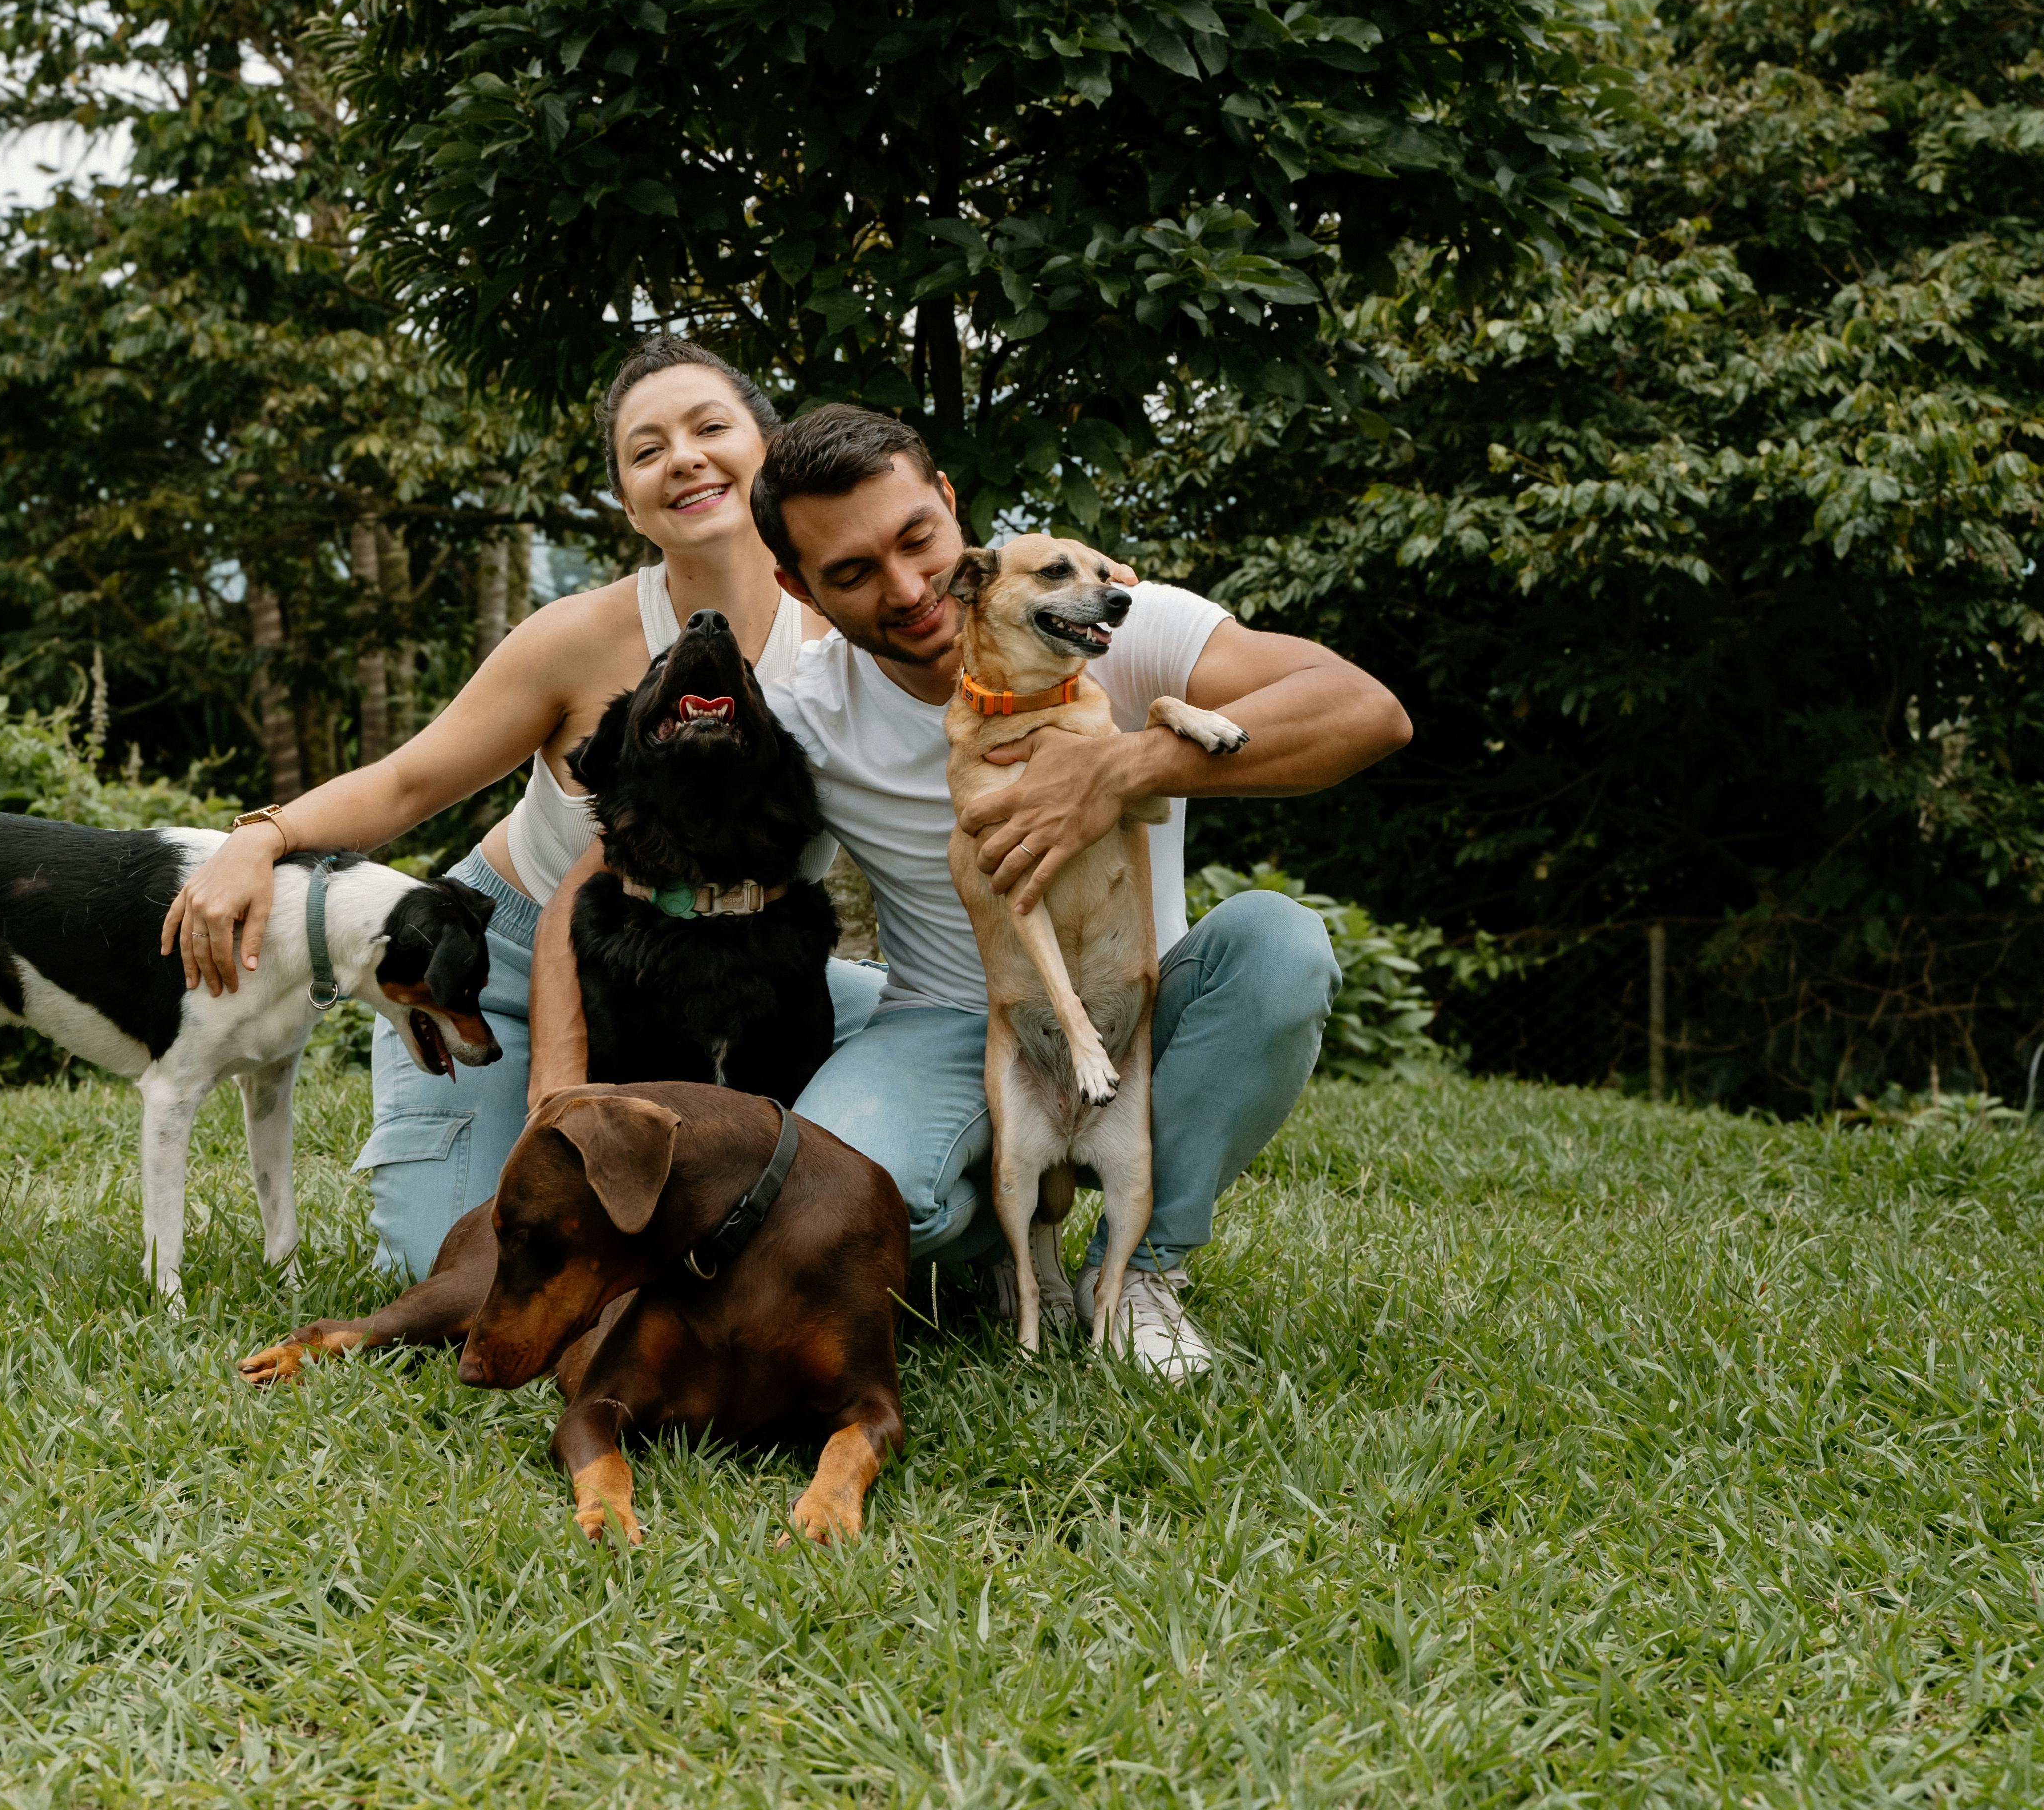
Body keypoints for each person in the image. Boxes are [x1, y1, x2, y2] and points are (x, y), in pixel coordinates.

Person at [530, 403, 1411, 1378]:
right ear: (797, 584)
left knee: (1279, 943)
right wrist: (561, 1106)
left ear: (951, 505)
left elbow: (1364, 710)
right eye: (855, 574)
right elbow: (621, 873)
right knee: (827, 1214)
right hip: (951, 1024)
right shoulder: (808, 712)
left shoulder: (1102, 615)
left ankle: (1142, 1277)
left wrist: (1119, 770)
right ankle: (1003, 1227)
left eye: (918, 539)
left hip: (1137, 994)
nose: (909, 589)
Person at [159, 339, 879, 1277]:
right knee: (466, 1265)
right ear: (628, 502)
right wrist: (263, 836)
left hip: (744, 952)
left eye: (710, 429)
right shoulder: (580, 638)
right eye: (648, 450)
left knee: (884, 1114)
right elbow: (410, 784)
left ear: (769, 452)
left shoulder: (855, 635)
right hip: (502, 953)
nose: (685, 460)